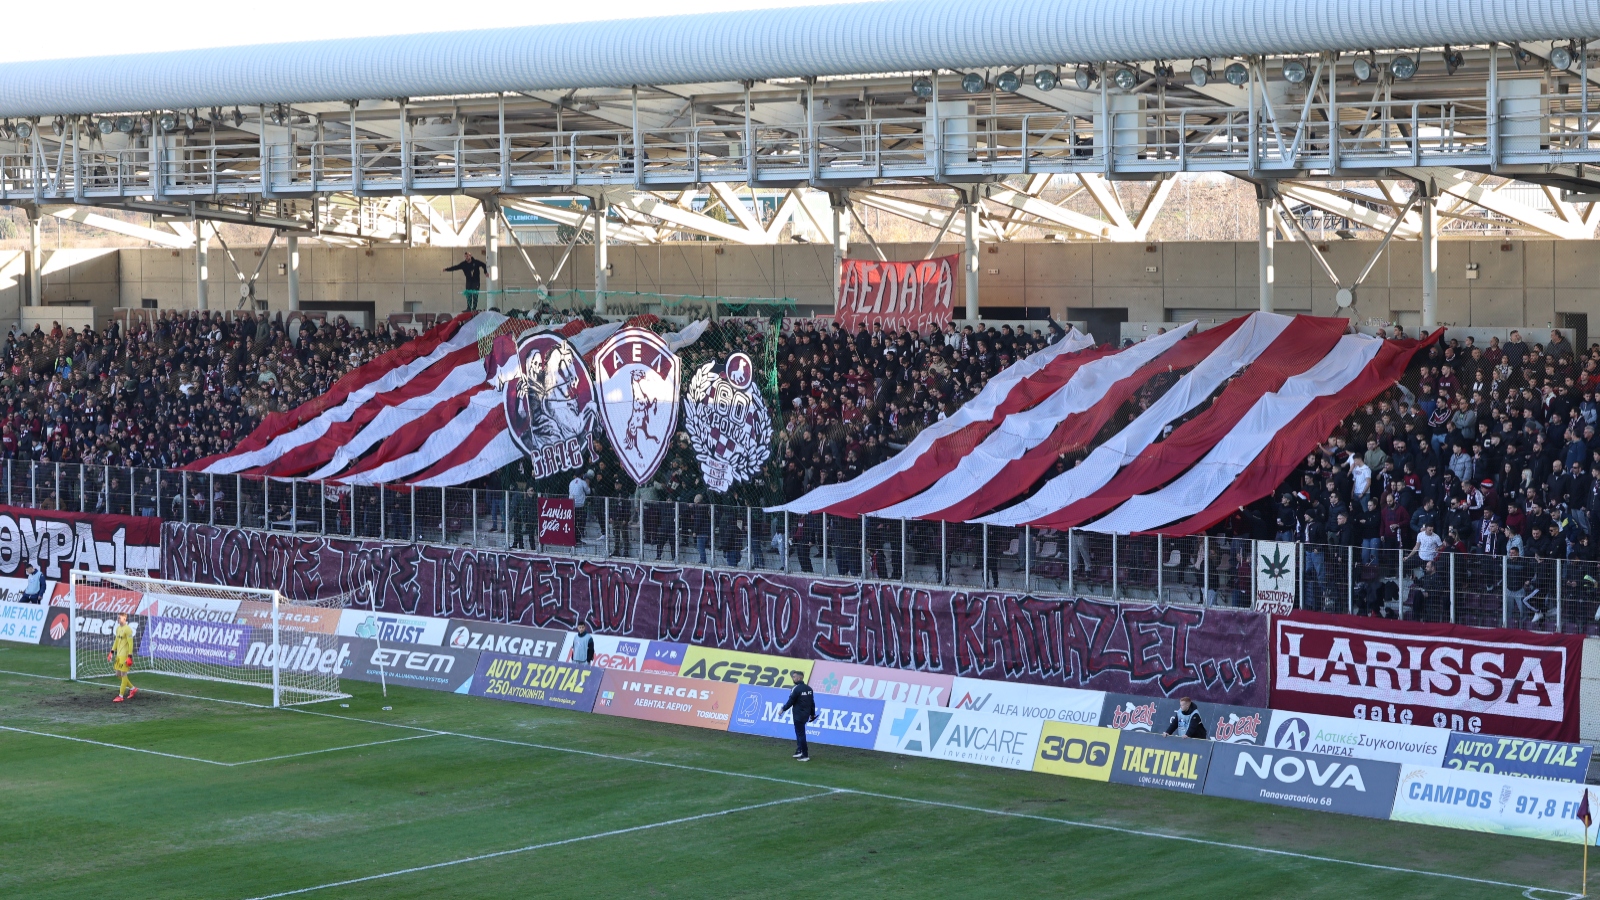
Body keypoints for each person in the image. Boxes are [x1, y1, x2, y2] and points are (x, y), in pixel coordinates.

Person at [778, 670, 816, 761]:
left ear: (799, 678)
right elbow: (812, 703)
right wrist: (812, 714)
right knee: (799, 733)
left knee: (801, 734)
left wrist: (783, 709)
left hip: (798, 714)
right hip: (805, 714)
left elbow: (791, 701)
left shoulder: (796, 688)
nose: (793, 678)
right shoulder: (809, 689)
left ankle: (805, 755)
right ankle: (799, 751)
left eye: (794, 677)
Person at [109, 612, 138, 703]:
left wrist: (129, 656)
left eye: (119, 618)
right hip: (118, 655)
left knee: (123, 675)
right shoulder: (118, 629)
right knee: (118, 674)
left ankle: (120, 696)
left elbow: (131, 643)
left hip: (125, 655)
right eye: (118, 618)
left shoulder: (128, 629)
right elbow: (116, 641)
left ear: (124, 619)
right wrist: (111, 652)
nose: (118, 619)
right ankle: (133, 688)